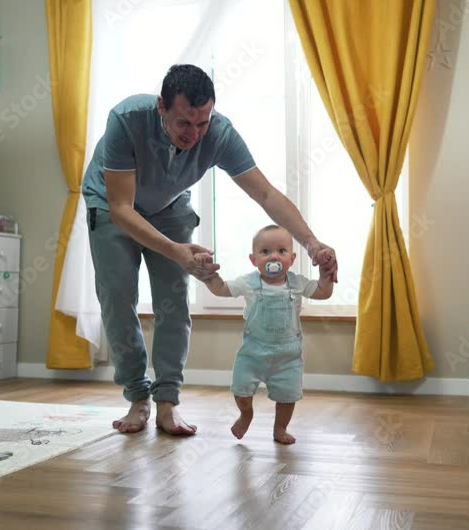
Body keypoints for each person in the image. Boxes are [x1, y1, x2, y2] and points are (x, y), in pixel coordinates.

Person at [82, 64, 338, 436]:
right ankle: (138, 398)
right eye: (185, 122)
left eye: (203, 122)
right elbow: (122, 209)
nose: (195, 134)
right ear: (161, 108)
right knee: (117, 298)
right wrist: (176, 250)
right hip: (110, 206)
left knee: (173, 302)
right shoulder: (126, 119)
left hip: (170, 208)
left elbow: (266, 194)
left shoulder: (218, 133)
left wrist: (312, 242)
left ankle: (167, 402)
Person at [197, 224, 333, 444]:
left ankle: (280, 428)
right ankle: (246, 414)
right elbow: (221, 289)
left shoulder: (296, 283)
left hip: (287, 357)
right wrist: (208, 273)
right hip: (253, 353)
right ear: (254, 259)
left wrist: (325, 273)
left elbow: (323, 292)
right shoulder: (248, 283)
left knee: (288, 397)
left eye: (281, 251)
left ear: (293, 257)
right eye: (265, 252)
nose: (274, 257)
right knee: (241, 390)